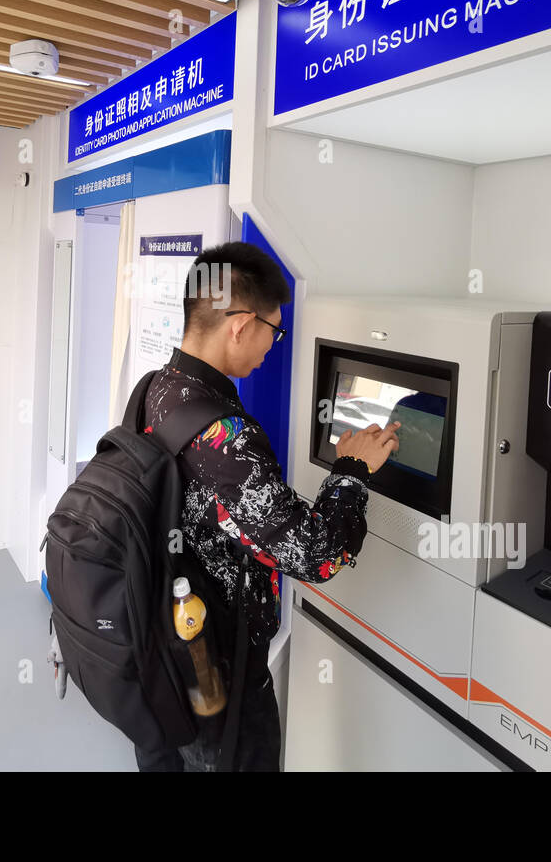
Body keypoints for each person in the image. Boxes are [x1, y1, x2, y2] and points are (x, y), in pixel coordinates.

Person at [137, 241, 401, 772]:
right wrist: (352, 471)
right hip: (216, 671)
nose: (274, 345)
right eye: (274, 331)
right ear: (240, 325)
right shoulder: (225, 433)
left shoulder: (159, 387)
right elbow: (315, 555)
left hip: (164, 644)